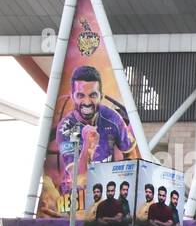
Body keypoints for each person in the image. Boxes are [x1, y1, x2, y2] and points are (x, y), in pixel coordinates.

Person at [53, 66, 136, 205]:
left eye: (92, 95)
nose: (87, 102)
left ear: (101, 96)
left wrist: (136, 119)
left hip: (109, 197)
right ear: (72, 95)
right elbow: (78, 177)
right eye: (80, 95)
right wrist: (87, 146)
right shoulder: (65, 128)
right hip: (76, 201)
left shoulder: (112, 117)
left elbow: (128, 149)